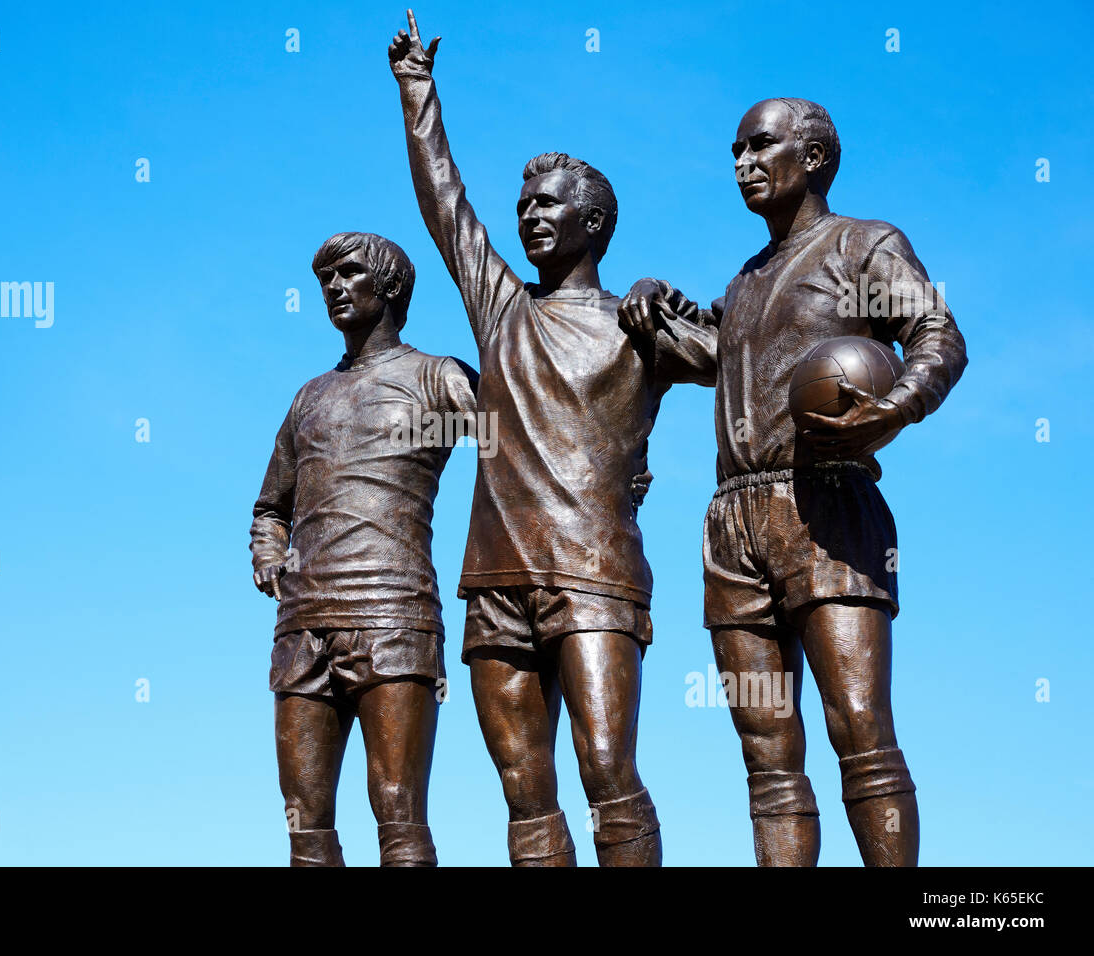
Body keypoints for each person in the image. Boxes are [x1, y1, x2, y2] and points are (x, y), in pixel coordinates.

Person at [389, 10, 704, 866]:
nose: (528, 216)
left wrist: (673, 303)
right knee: (526, 793)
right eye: (522, 204)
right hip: (494, 577)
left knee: (608, 771)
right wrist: (419, 91)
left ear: (593, 223)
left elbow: (746, 360)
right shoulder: (503, 309)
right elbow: (444, 201)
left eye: (548, 204)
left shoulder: (638, 325)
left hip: (594, 576)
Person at [620, 97, 968, 866]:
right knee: (766, 754)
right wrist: (649, 299)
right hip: (734, 526)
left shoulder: (860, 246)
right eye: (735, 150)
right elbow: (710, 351)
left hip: (828, 505)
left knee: (858, 727)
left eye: (760, 146)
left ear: (812, 159)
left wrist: (896, 407)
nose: (742, 163)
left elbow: (938, 335)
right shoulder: (745, 282)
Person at [251, 231, 478, 866]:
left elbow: (520, 438)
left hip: (393, 617)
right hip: (302, 628)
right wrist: (269, 553)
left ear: (391, 288)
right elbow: (271, 505)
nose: (334, 288)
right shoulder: (309, 397)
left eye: (349, 274)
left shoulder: (438, 377)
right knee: (304, 823)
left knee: (399, 811)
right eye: (326, 279)